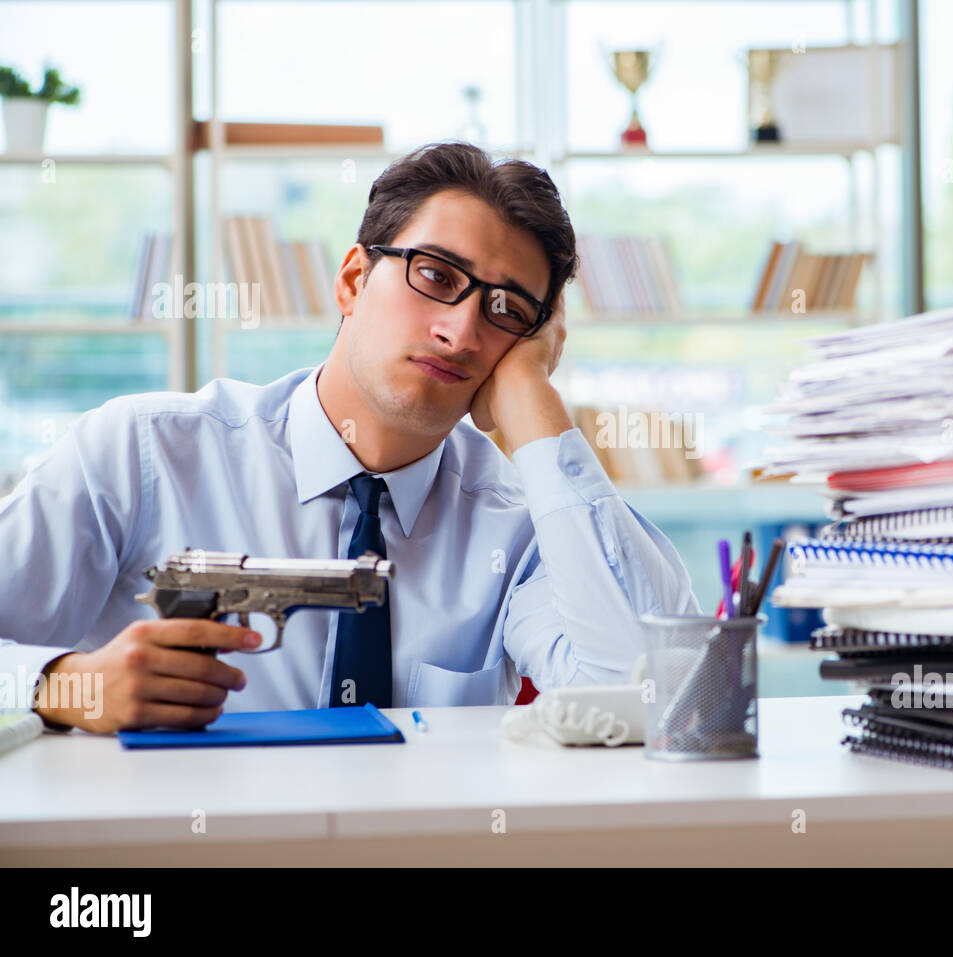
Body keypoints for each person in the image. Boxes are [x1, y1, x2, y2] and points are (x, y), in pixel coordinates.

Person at [0, 141, 699, 733]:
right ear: (353, 279)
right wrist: (66, 684)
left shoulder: (521, 521)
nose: (460, 332)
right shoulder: (142, 452)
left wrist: (532, 400)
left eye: (505, 308)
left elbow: (642, 692)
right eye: (435, 274)